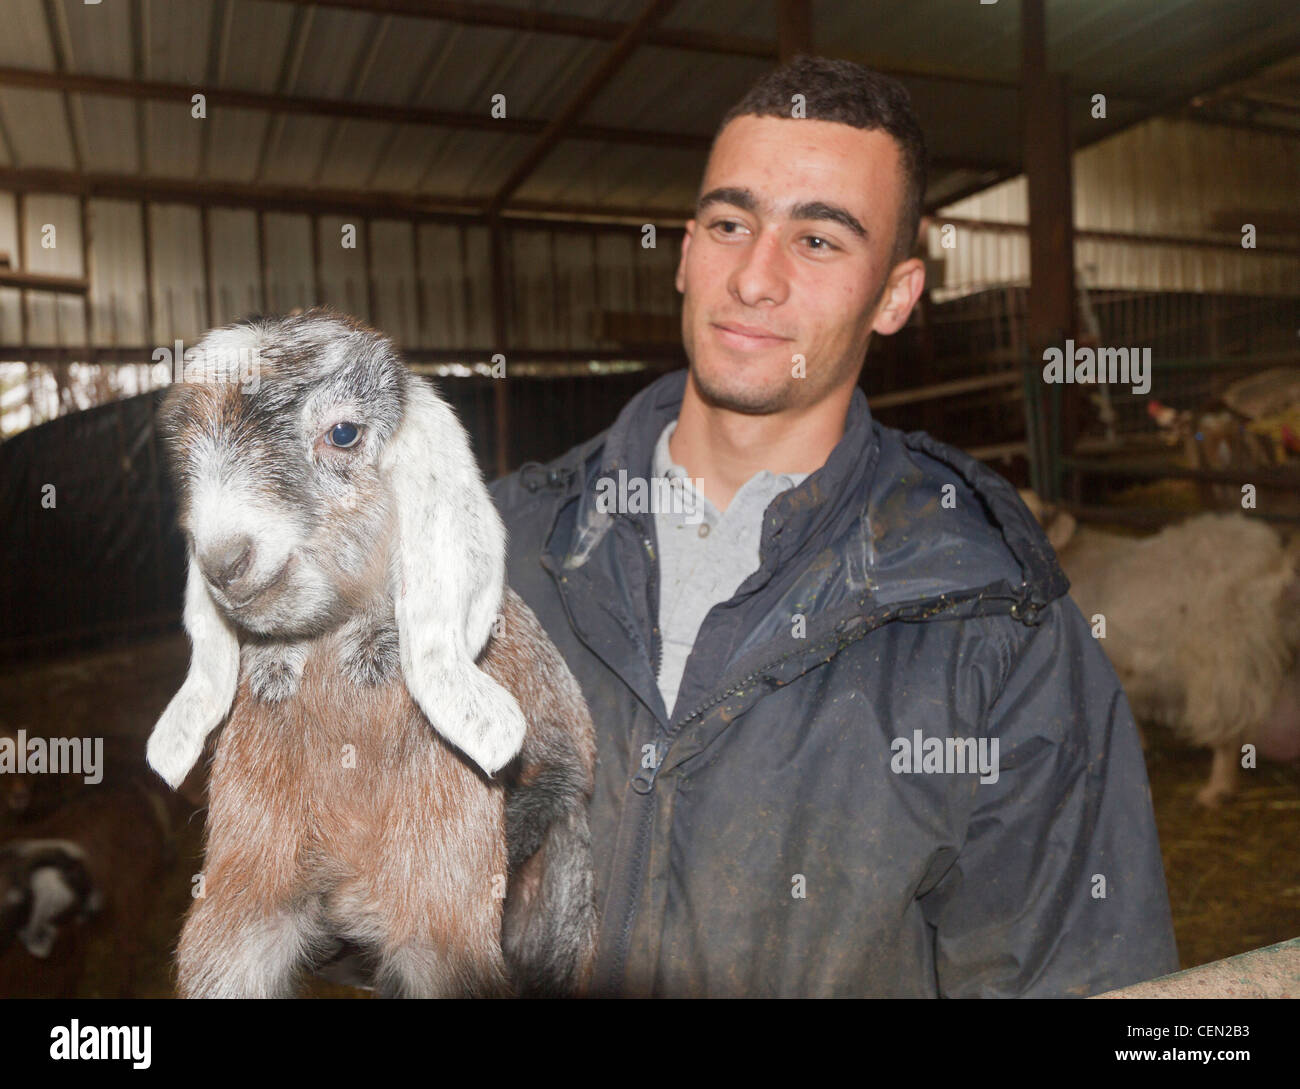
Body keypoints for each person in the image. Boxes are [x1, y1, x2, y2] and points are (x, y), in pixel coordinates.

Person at [490, 55, 1179, 997]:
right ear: (687, 252)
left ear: (895, 296)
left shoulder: (988, 619)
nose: (755, 279)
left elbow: (1078, 975)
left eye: (818, 241)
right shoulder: (499, 547)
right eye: (732, 225)